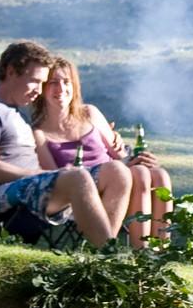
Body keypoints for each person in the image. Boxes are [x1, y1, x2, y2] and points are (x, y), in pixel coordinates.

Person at [0, 40, 132, 248]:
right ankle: (108, 256)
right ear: (12, 71)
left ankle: (102, 249)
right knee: (76, 176)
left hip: (33, 186)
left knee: (117, 171)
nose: (39, 91)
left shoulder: (16, 114)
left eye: (43, 83)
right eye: (35, 81)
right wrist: (42, 175)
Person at [32, 54, 173, 250]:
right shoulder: (38, 133)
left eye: (66, 82)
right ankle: (138, 251)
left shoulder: (89, 113)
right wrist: (124, 166)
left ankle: (160, 251)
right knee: (138, 174)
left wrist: (140, 159)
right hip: (84, 190)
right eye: (53, 83)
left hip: (119, 177)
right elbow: (54, 178)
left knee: (159, 175)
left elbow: (121, 155)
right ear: (42, 88)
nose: (61, 89)